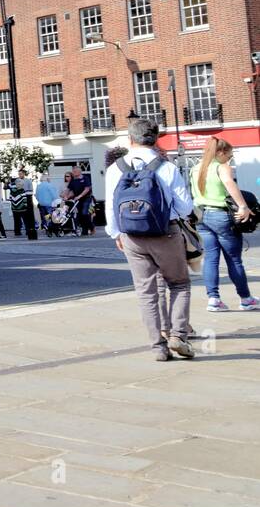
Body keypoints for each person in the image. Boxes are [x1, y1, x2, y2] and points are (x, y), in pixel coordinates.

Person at [105, 118, 197, 361]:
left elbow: (110, 205)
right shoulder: (166, 167)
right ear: (155, 139)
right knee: (178, 284)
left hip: (132, 237)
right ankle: (178, 335)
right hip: (165, 233)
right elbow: (185, 206)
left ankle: (158, 347)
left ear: (130, 139)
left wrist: (116, 233)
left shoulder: (116, 168)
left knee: (146, 293)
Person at [192, 136, 258, 311]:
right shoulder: (222, 167)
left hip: (201, 216)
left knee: (211, 259)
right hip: (221, 216)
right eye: (229, 154)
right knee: (234, 260)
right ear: (220, 152)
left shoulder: (195, 168)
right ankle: (246, 299)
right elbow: (230, 184)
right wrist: (243, 206)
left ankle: (213, 299)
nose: (230, 157)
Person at [10, 171, 36, 239]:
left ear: (24, 174)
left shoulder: (28, 181)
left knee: (27, 217)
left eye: (21, 174)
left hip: (26, 200)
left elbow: (31, 191)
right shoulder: (17, 181)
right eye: (19, 174)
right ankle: (18, 231)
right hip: (21, 204)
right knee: (19, 218)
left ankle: (28, 230)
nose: (19, 175)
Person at [68, 170, 94, 235]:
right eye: (73, 171)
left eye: (75, 171)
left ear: (79, 172)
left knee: (84, 213)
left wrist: (80, 196)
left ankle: (91, 227)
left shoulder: (85, 178)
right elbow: (70, 190)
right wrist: (66, 196)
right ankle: (84, 231)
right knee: (80, 215)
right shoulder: (73, 180)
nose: (73, 173)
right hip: (78, 200)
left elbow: (87, 189)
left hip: (86, 198)